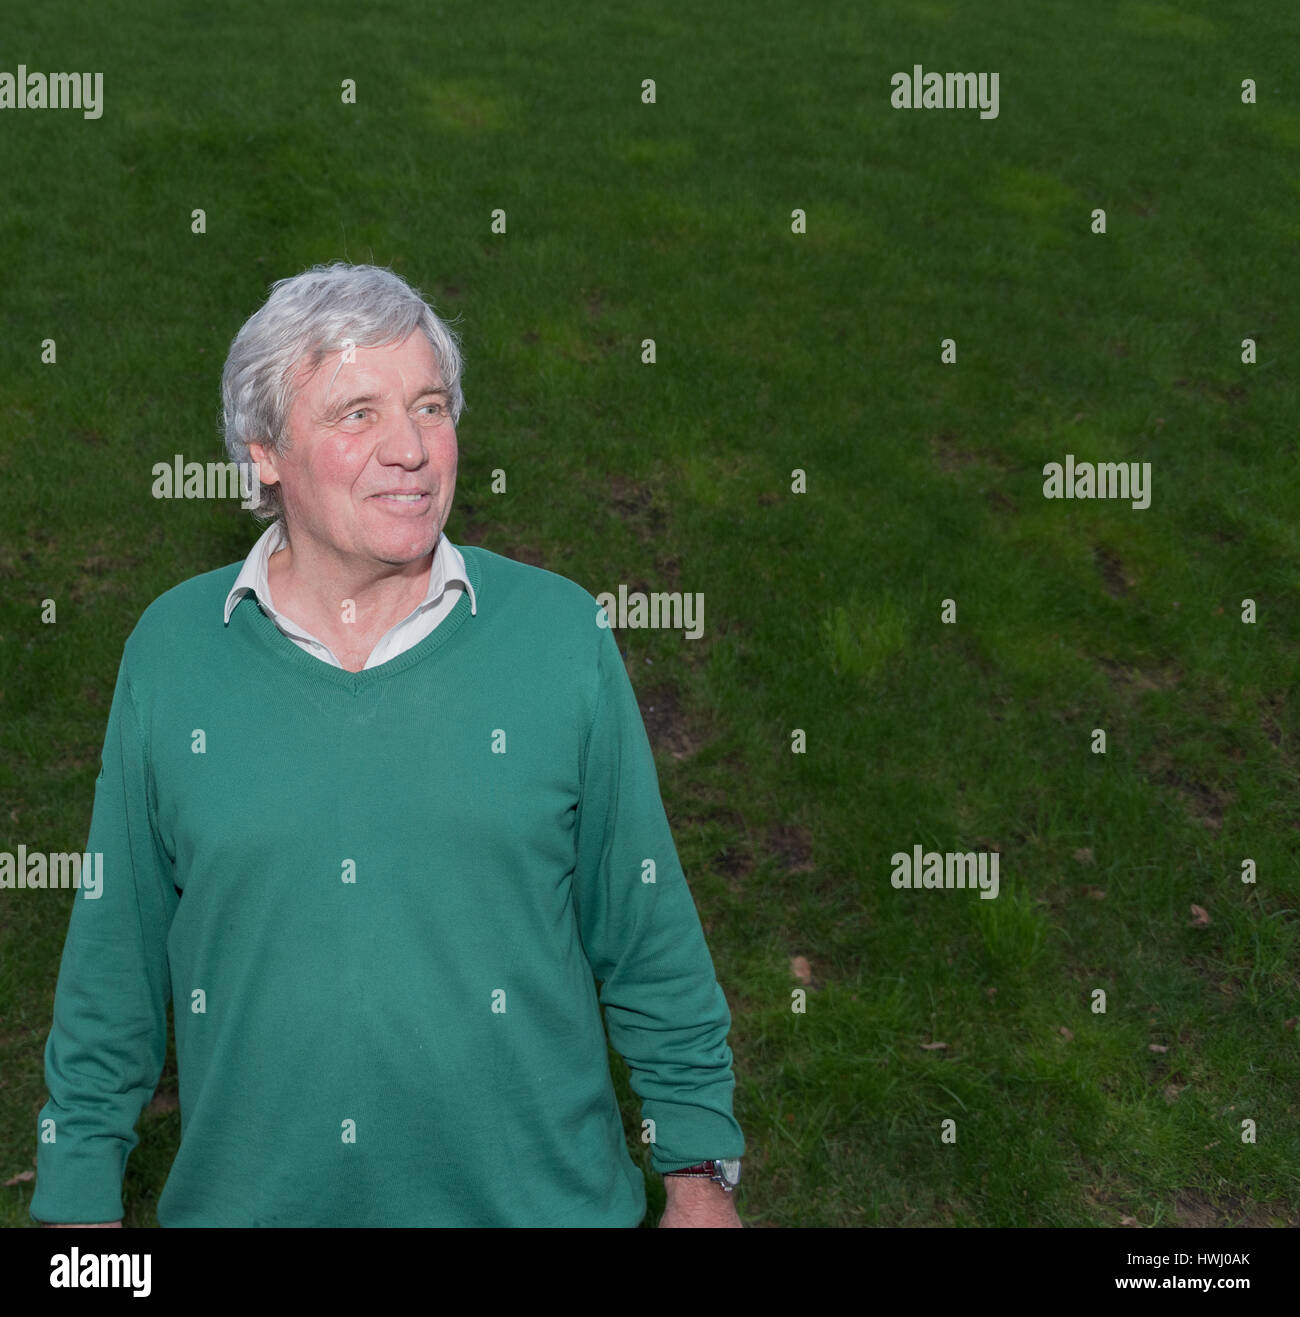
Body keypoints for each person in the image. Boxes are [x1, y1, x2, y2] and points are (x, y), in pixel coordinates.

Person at [31, 262, 744, 1228]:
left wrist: (700, 1173)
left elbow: (646, 929)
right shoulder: (174, 651)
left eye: (430, 405)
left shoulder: (557, 635)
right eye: (356, 414)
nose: (410, 448)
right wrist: (76, 1203)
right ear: (264, 452)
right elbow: (114, 965)